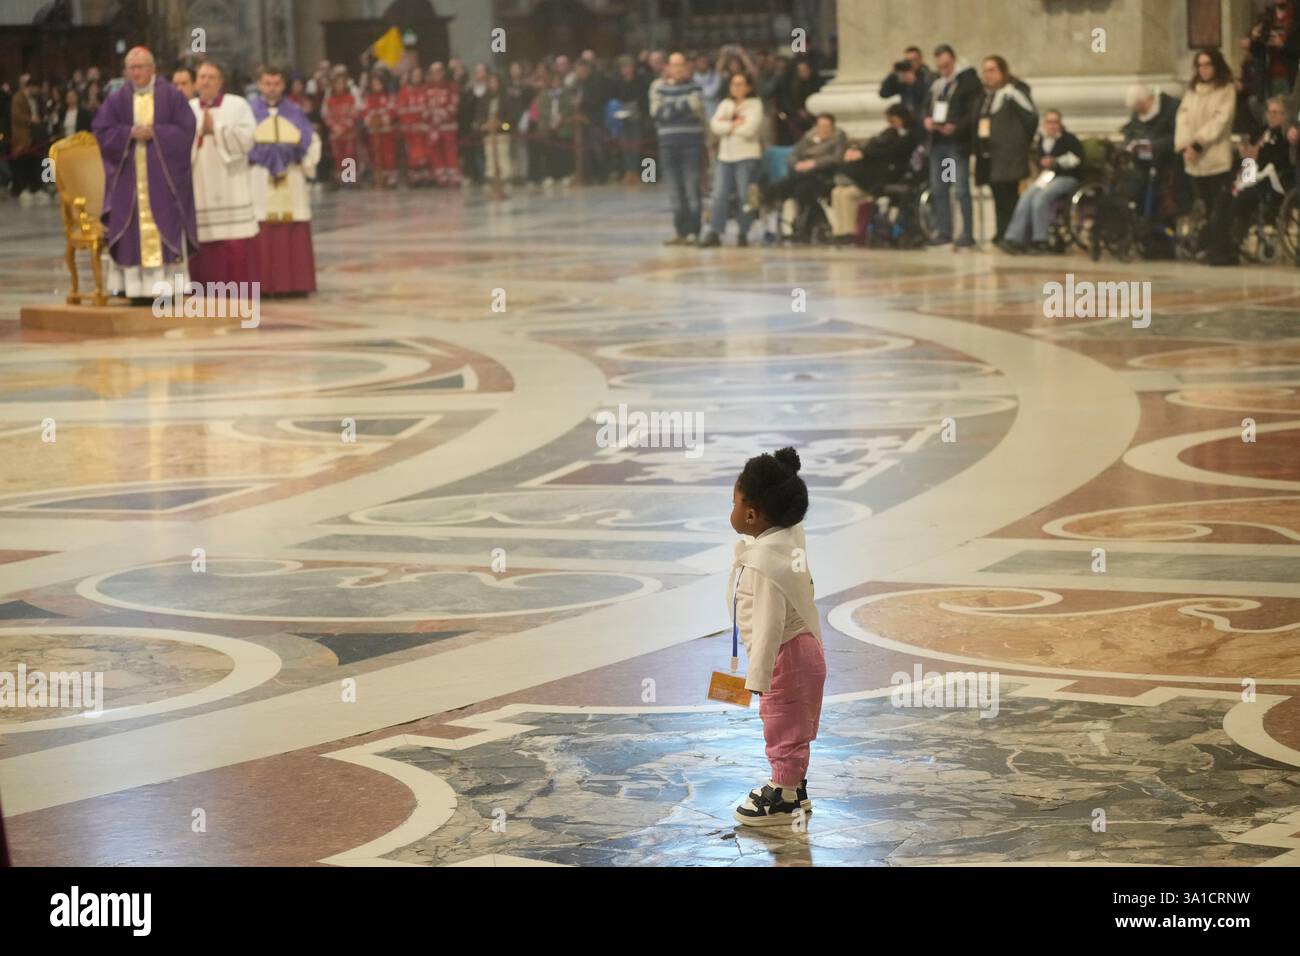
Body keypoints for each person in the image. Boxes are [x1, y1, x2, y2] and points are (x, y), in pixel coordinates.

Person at [727, 447, 825, 827]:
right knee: (794, 723)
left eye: (734, 502)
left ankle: (782, 797)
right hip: (805, 650)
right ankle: (795, 789)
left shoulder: (766, 565)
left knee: (781, 723)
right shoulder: (788, 538)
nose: (731, 510)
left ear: (751, 515)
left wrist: (757, 676)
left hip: (784, 654)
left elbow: (768, 624)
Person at [92, 47, 198, 300]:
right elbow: (101, 131)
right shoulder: (117, 99)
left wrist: (157, 133)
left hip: (163, 180)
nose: (137, 73)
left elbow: (186, 130)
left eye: (141, 67)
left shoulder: (171, 96)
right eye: (132, 68)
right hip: (129, 179)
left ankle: (169, 288)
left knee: (165, 223)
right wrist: (128, 133)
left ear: (152, 68)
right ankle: (134, 288)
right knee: (130, 228)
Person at [248, 64, 319, 295]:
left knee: (293, 226)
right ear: (259, 84)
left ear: (283, 85)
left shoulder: (295, 111)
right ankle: (264, 285)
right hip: (259, 177)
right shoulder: (248, 112)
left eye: (276, 83)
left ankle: (296, 284)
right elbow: (241, 143)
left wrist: (296, 156)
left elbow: (311, 141)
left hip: (291, 175)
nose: (271, 88)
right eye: (267, 83)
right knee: (262, 225)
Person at [188, 60, 259, 287]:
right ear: (196, 82)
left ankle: (237, 294)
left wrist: (216, 130)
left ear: (221, 82)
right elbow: (176, 143)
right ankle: (203, 293)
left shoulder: (237, 105)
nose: (206, 81)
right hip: (199, 181)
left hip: (230, 181)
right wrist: (199, 132)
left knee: (233, 243)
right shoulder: (187, 108)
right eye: (202, 77)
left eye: (211, 77)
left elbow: (249, 138)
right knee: (201, 241)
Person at [1204, 95, 1294, 265]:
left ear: (1285, 115)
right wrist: (1246, 154)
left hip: (1273, 182)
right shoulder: (1262, 132)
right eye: (1270, 112)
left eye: (1277, 112)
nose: (1272, 116)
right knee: (1224, 197)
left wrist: (1258, 154)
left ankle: (1232, 246)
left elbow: (1281, 160)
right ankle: (1218, 247)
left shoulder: (1284, 137)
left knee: (1241, 199)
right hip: (1253, 176)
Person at [1175, 48, 1236, 255]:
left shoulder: (1226, 89)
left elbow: (1220, 121)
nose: (1203, 69)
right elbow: (1183, 117)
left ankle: (1220, 247)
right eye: (1200, 65)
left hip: (1214, 156)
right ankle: (1206, 244)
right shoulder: (1192, 90)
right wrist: (1186, 145)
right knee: (1204, 206)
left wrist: (1198, 144)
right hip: (1193, 158)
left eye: (1207, 64)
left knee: (1218, 206)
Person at [830, 102, 918, 242]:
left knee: (848, 194)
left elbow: (892, 152)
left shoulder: (910, 137)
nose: (891, 123)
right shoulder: (889, 133)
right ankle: (839, 231)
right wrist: (863, 152)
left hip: (888, 177)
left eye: (893, 120)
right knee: (837, 191)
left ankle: (851, 232)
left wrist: (869, 153)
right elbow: (873, 146)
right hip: (875, 173)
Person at [1000, 109, 1085, 254]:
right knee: (1027, 197)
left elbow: (1077, 159)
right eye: (1049, 122)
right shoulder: (1042, 141)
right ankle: (1014, 237)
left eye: (1055, 122)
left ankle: (1040, 239)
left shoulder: (1069, 139)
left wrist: (1056, 161)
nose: (1052, 126)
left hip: (1067, 177)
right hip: (1048, 177)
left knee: (1041, 198)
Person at [972, 55, 1036, 243]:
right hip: (989, 154)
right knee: (998, 194)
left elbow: (1031, 119)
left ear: (1002, 71)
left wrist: (1019, 142)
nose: (988, 75)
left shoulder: (1013, 92)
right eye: (985, 71)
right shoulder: (984, 96)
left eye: (992, 70)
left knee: (1010, 195)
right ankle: (1002, 231)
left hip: (1009, 155)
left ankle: (1015, 234)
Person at [922, 44, 981, 247]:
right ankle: (944, 230)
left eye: (947, 65)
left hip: (955, 144)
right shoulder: (936, 85)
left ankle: (966, 232)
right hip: (939, 145)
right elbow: (926, 107)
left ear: (954, 60)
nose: (944, 70)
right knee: (940, 188)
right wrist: (927, 121)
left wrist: (955, 128)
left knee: (960, 189)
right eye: (940, 66)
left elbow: (971, 112)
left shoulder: (967, 82)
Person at [699, 71, 763, 247]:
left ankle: (743, 232)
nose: (736, 87)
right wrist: (734, 124)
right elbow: (714, 126)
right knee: (719, 195)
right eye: (733, 84)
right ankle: (715, 231)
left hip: (746, 156)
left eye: (740, 83)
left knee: (744, 196)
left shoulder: (754, 105)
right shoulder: (725, 104)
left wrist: (726, 126)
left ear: (748, 87)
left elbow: (750, 130)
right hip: (725, 156)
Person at [650, 51, 705, 245]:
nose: (678, 69)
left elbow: (695, 107)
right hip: (667, 144)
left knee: (691, 187)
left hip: (691, 143)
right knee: (675, 191)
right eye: (674, 65)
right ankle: (681, 231)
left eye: (681, 65)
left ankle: (694, 232)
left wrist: (671, 106)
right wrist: (681, 106)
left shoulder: (695, 85)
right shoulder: (657, 86)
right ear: (667, 67)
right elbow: (657, 112)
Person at [763, 113, 847, 240]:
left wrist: (814, 163)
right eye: (820, 126)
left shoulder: (838, 139)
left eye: (826, 126)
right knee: (794, 186)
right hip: (801, 173)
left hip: (822, 175)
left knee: (800, 189)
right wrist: (797, 164)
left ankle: (802, 226)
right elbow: (793, 155)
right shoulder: (808, 139)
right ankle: (810, 225)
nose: (823, 129)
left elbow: (836, 158)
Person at [9, 74, 48, 205]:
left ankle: (35, 188)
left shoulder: (35, 99)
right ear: (30, 86)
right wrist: (30, 119)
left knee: (34, 162)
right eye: (36, 88)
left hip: (34, 135)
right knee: (22, 163)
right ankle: (22, 189)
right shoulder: (18, 97)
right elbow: (16, 115)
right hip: (22, 135)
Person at [426, 61, 460, 186]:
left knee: (450, 151)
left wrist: (442, 115)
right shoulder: (427, 88)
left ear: (443, 72)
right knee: (435, 151)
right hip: (433, 127)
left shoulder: (451, 87)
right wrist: (429, 115)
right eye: (433, 72)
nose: (435, 74)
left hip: (447, 126)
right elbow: (423, 104)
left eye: (438, 71)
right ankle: (441, 178)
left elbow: (454, 104)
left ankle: (453, 177)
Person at [322, 71, 359, 186]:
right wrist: (334, 127)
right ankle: (340, 179)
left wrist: (344, 127)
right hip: (335, 133)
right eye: (337, 84)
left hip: (348, 133)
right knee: (338, 156)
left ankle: (349, 179)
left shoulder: (351, 98)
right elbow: (327, 116)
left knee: (349, 155)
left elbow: (353, 115)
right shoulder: (329, 101)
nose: (339, 86)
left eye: (341, 84)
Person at [396, 66, 432, 187]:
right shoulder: (404, 91)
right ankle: (414, 180)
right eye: (414, 75)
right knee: (412, 155)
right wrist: (411, 123)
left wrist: (424, 121)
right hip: (410, 131)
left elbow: (428, 108)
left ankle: (426, 179)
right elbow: (401, 110)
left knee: (425, 153)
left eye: (419, 75)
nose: (417, 77)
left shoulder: (426, 90)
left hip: (423, 130)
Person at [362, 73, 398, 189]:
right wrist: (370, 120)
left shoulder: (388, 97)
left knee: (388, 154)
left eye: (378, 83)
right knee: (376, 155)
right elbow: (365, 112)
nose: (376, 86)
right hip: (373, 132)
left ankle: (391, 178)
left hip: (386, 131)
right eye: (373, 84)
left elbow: (392, 110)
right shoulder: (368, 98)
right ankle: (379, 178)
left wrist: (383, 120)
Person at [878, 45, 932, 119]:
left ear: (921, 60)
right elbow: (883, 93)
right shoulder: (903, 76)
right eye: (908, 61)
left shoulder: (928, 75)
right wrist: (892, 74)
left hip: (922, 119)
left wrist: (914, 82)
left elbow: (927, 98)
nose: (912, 63)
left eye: (914, 60)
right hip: (906, 120)